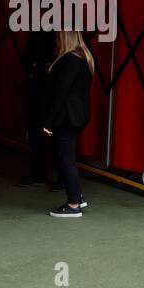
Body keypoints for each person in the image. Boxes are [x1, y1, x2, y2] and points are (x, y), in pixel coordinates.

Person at [42, 30, 94, 218]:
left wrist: (48, 121)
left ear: (64, 39)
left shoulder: (68, 61)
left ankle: (73, 204)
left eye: (57, 37)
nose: (55, 41)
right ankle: (77, 196)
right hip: (77, 116)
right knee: (65, 156)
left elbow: (60, 93)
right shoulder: (83, 59)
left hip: (67, 117)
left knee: (65, 158)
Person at [16, 29, 56, 188]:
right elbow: (26, 61)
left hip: (49, 90)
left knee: (53, 133)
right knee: (36, 131)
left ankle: (57, 175)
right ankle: (40, 172)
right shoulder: (37, 32)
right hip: (38, 89)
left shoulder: (59, 32)